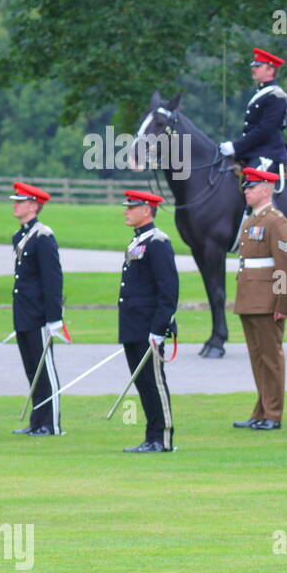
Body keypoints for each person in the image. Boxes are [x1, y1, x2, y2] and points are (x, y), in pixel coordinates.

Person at [232, 168, 287, 431]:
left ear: (266, 190)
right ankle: (261, 410)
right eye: (245, 187)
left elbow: (284, 266)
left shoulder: (275, 221)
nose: (246, 191)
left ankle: (273, 413)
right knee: (257, 357)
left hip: (267, 301)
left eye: (252, 187)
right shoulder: (252, 220)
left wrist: (282, 302)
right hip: (250, 298)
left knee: (270, 358)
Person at [118, 190, 179, 453]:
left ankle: (162, 438)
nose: (126, 211)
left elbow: (168, 289)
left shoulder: (157, 242)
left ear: (147, 210)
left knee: (154, 383)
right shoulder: (137, 242)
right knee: (142, 383)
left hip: (149, 326)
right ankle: (150, 436)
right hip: (133, 325)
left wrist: (159, 328)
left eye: (132, 207)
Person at [9, 182, 65, 437]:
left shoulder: (42, 237)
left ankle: (50, 423)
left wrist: (54, 318)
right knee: (32, 370)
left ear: (33, 205)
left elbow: (53, 280)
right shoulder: (20, 236)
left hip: (41, 315)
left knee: (45, 370)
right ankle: (37, 421)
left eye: (20, 202)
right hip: (24, 314)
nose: (15, 205)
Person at [219, 48, 287, 173]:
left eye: (258, 66)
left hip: (267, 153)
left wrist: (236, 146)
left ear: (270, 70)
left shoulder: (276, 96)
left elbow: (265, 129)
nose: (253, 69)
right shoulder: (262, 93)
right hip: (251, 151)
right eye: (253, 66)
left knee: (253, 183)